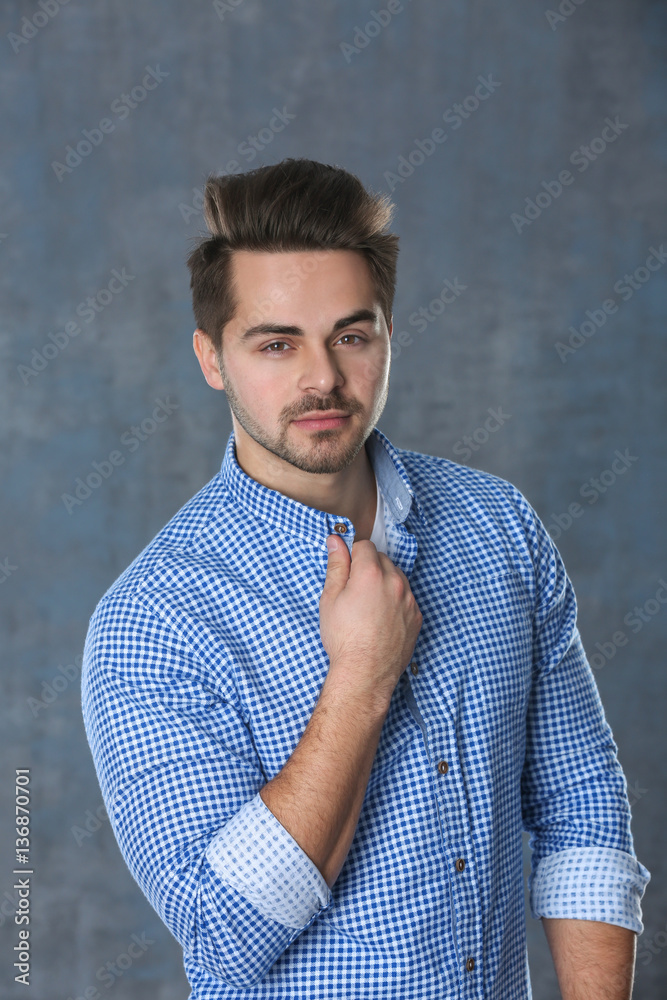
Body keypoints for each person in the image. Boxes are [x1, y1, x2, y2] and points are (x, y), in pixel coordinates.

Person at [81, 157, 649, 1000]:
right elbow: (221, 936)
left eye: (351, 335)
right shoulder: (154, 620)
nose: (322, 379)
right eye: (276, 343)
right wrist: (359, 679)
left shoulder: (497, 527)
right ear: (211, 358)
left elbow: (581, 806)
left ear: (387, 334)